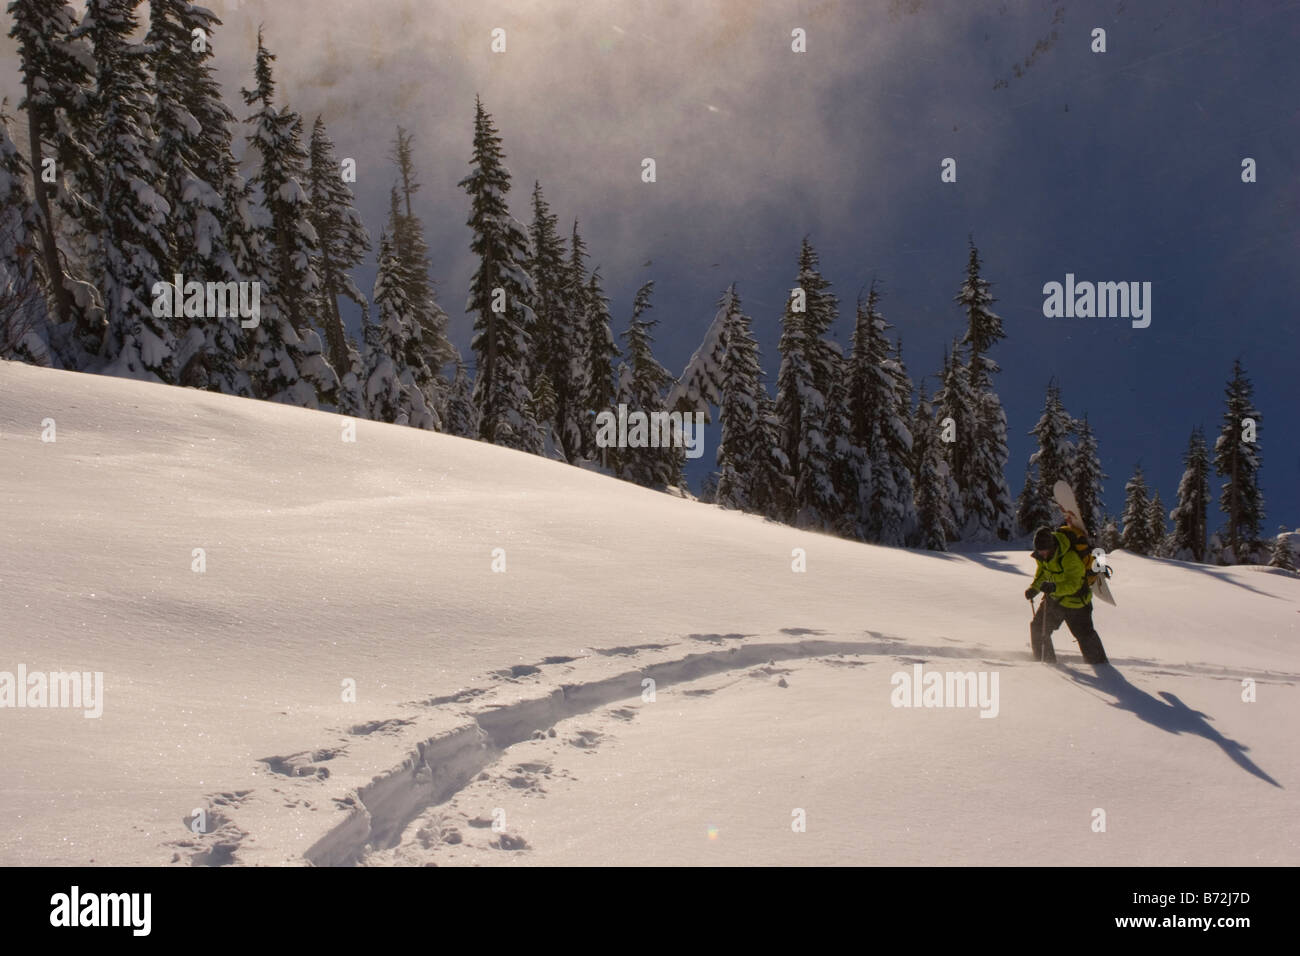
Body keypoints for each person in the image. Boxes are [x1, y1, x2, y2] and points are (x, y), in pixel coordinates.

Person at [1024, 526, 1109, 664]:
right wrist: (1034, 588)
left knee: (1085, 635)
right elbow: (1042, 573)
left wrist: (1055, 587)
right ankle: (1045, 663)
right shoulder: (1042, 556)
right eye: (1040, 551)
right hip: (1055, 600)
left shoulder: (1070, 558)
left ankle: (1101, 667)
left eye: (1045, 551)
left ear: (1052, 547)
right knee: (1038, 628)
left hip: (1077, 603)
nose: (1043, 554)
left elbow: (1075, 584)